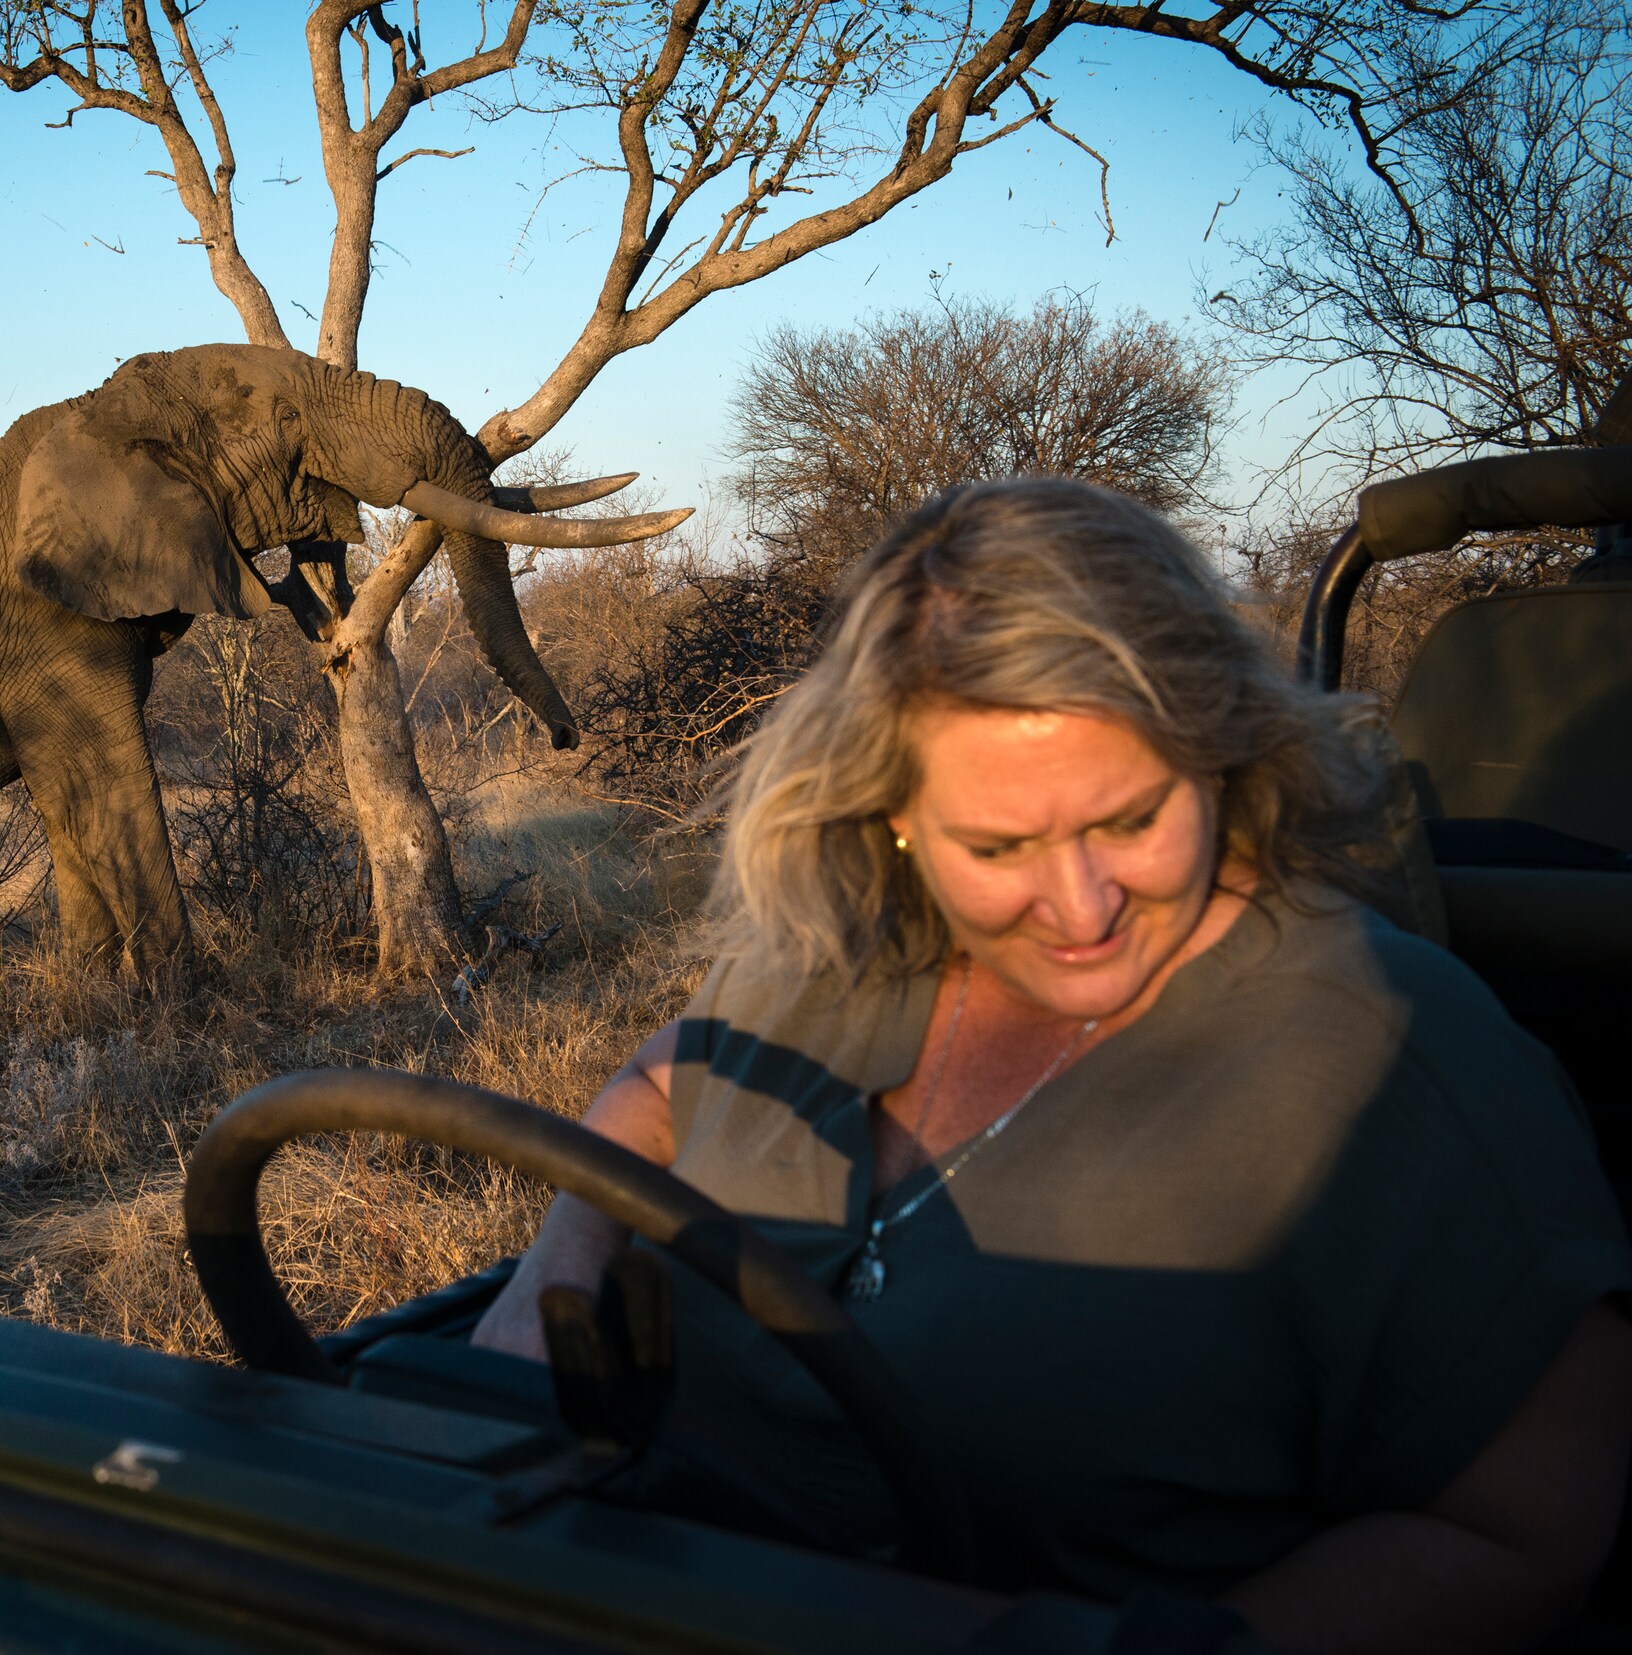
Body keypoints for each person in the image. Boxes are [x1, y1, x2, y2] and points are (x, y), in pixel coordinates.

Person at [468, 479, 1632, 1654]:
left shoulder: (1394, 1054)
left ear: (1220, 756)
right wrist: (551, 1271)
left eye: (1129, 819)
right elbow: (674, 1078)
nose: (1080, 906)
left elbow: (1520, 1537)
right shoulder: (837, 945)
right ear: (894, 817)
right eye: (997, 845)